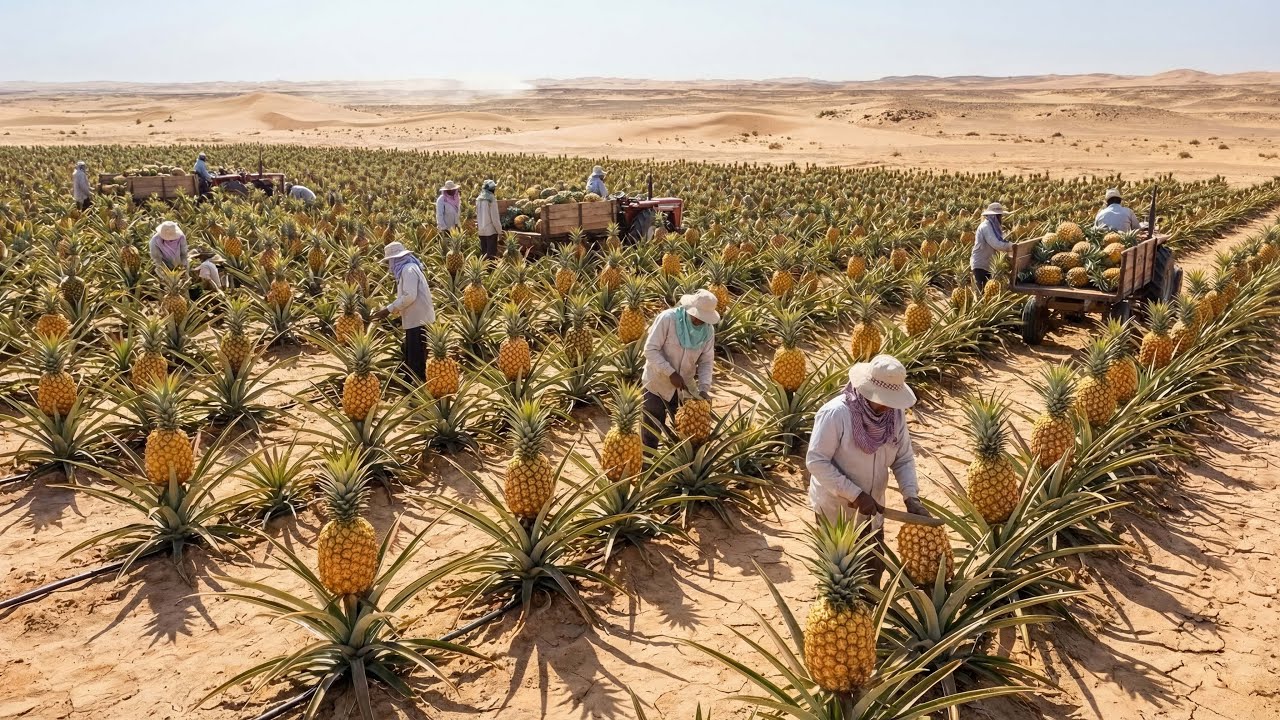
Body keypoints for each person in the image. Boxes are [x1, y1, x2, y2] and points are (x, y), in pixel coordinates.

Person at [806, 354, 927, 581]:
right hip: (836, 514)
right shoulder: (835, 414)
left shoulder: (894, 416)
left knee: (872, 575)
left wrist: (911, 496)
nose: (887, 405)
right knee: (840, 584)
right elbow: (816, 461)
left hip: (873, 512)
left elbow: (903, 459)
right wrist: (855, 494)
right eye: (883, 399)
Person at [640, 289, 719, 449]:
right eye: (697, 316)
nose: (699, 321)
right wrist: (671, 373)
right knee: (651, 434)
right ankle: (648, 471)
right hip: (656, 384)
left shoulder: (708, 331)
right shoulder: (668, 319)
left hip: (684, 389)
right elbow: (650, 350)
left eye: (703, 318)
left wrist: (704, 388)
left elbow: (706, 361)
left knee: (683, 432)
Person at [372, 242, 435, 382]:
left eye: (390, 261)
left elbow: (409, 296)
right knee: (415, 351)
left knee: (416, 353)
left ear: (396, 259)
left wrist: (388, 310)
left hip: (418, 318)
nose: (390, 265)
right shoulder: (408, 268)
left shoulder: (408, 270)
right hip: (417, 317)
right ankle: (414, 380)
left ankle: (416, 384)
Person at [970, 202, 1011, 292]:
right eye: (999, 216)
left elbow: (1001, 240)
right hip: (980, 264)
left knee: (988, 292)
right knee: (981, 293)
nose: (1001, 218)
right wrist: (1011, 246)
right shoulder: (986, 227)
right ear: (994, 216)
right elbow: (996, 244)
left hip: (988, 264)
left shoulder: (993, 226)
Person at [476, 179, 502, 259]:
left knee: (484, 255)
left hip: (481, 231)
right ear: (492, 189)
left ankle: (486, 271)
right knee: (491, 256)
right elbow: (495, 218)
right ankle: (491, 271)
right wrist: (499, 231)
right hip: (490, 232)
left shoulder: (478, 199)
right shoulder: (491, 199)